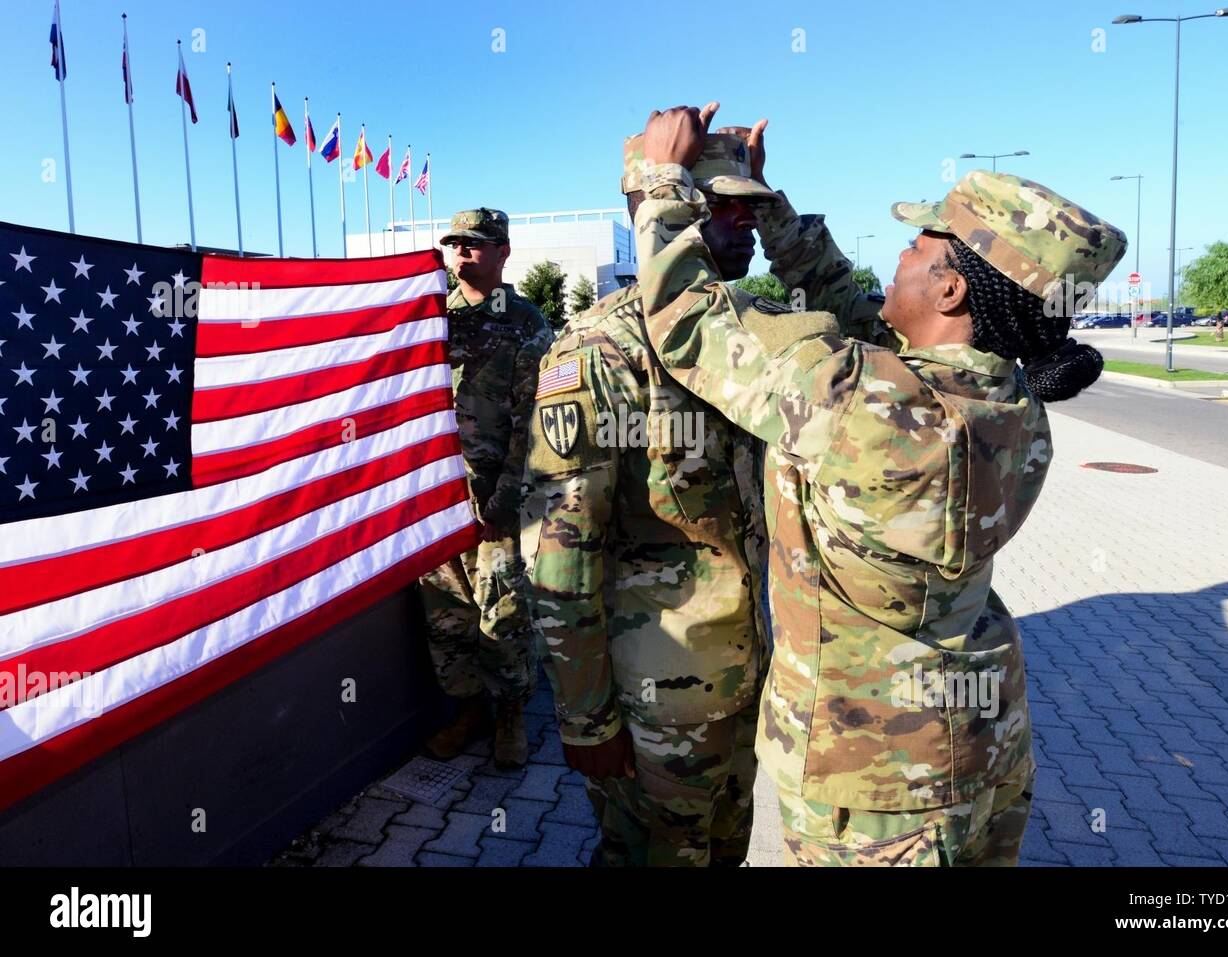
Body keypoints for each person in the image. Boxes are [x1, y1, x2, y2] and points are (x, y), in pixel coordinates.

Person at [633, 104, 1127, 866]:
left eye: (914, 243)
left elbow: (687, 321)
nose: (896, 256)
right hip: (981, 752)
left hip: (874, 792)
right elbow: (855, 308)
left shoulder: (859, 400)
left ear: (953, 290)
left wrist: (662, 179)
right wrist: (770, 207)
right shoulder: (1009, 401)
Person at [519, 132, 774, 866]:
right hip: (652, 702)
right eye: (723, 209)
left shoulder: (739, 336)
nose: (744, 224)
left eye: (750, 210)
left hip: (739, 686)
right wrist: (586, 718)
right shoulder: (601, 347)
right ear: (667, 210)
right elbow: (559, 550)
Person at [419, 208, 554, 769]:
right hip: (434, 497)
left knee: (502, 612)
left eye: (475, 244)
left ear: (503, 251)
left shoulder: (525, 322)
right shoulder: (427, 318)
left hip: (497, 497)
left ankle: (509, 717)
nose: (461, 252)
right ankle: (468, 709)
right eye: (453, 244)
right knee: (445, 614)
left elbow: (535, 417)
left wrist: (503, 497)